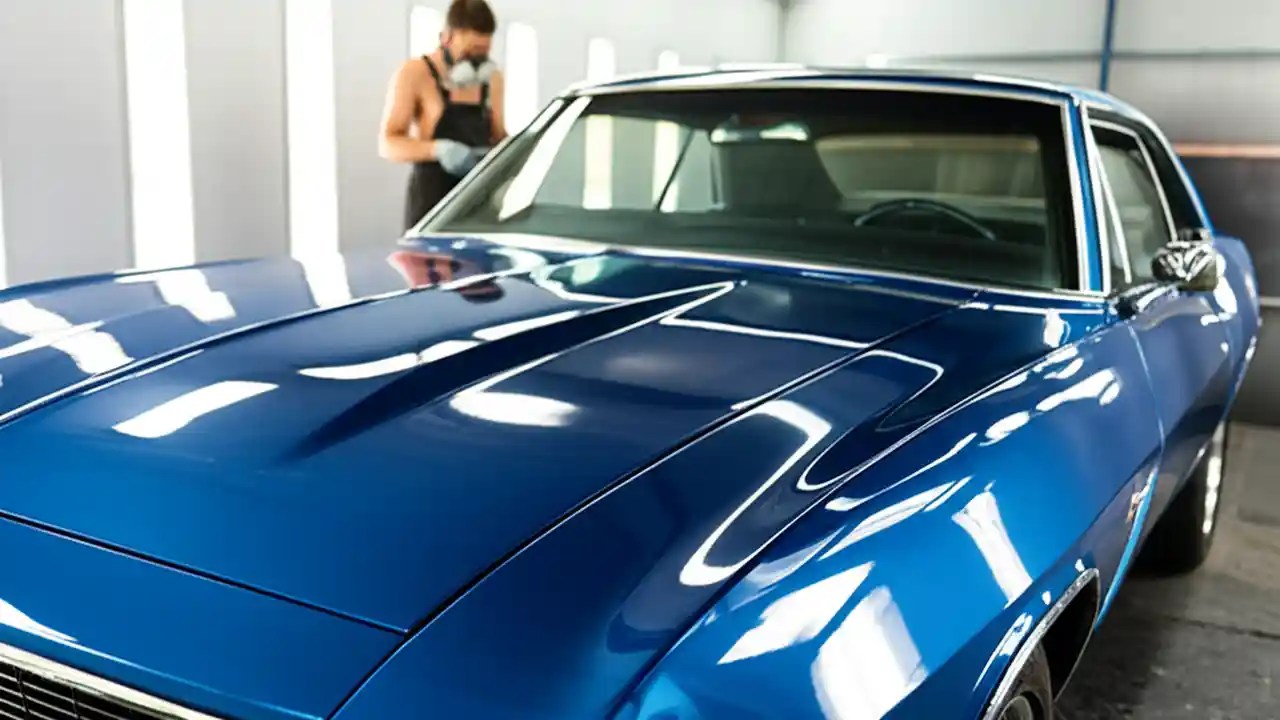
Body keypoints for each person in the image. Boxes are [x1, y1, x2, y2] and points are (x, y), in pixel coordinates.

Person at [379, 0, 507, 233]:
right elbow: (388, 144)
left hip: (478, 201)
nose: (475, 63)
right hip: (431, 204)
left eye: (482, 54)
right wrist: (437, 150)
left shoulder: (492, 79)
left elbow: (499, 136)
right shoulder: (415, 73)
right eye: (469, 53)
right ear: (446, 38)